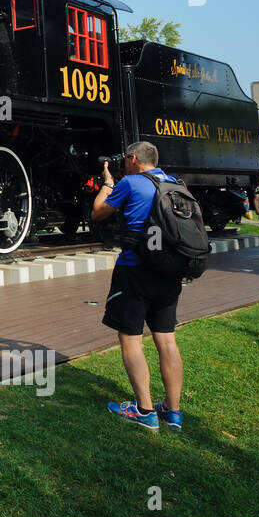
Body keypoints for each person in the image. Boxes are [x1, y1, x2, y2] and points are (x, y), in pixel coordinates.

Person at [90, 141, 184, 432]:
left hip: (135, 270)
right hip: (169, 272)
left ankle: (144, 410)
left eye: (125, 159)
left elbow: (98, 213)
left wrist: (107, 183)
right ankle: (172, 411)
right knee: (166, 340)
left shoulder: (130, 183)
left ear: (133, 159)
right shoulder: (175, 183)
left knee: (131, 338)